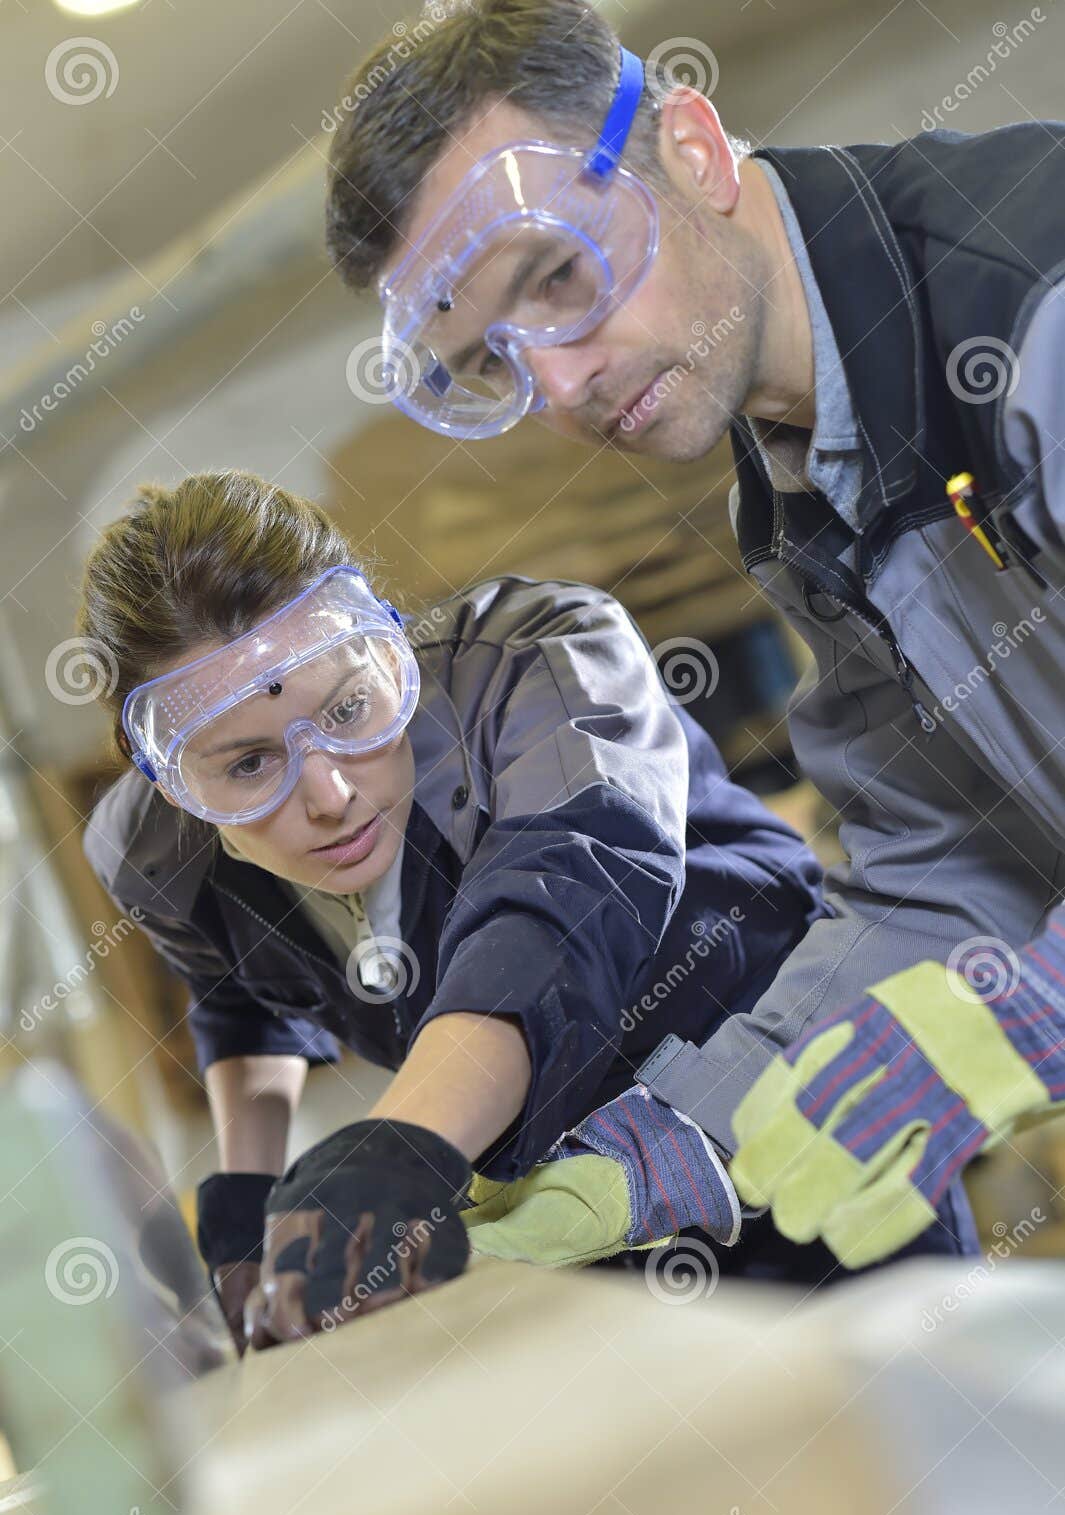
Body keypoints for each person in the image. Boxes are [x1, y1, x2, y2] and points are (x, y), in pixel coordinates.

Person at [322, 0, 1065, 1272]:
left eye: (556, 277)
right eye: (494, 356)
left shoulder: (1029, 313)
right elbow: (947, 871)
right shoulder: (797, 484)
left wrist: (1028, 1014)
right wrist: (663, 1148)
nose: (558, 383)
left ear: (696, 149)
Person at [79, 469, 824, 1350]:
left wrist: (399, 1147)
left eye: (350, 709)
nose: (329, 792)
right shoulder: (150, 853)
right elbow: (244, 1007)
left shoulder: (542, 660)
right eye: (247, 766)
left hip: (793, 1110)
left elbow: (554, 906)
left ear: (386, 644)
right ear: (169, 783)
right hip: (567, 1217)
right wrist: (249, 1196)